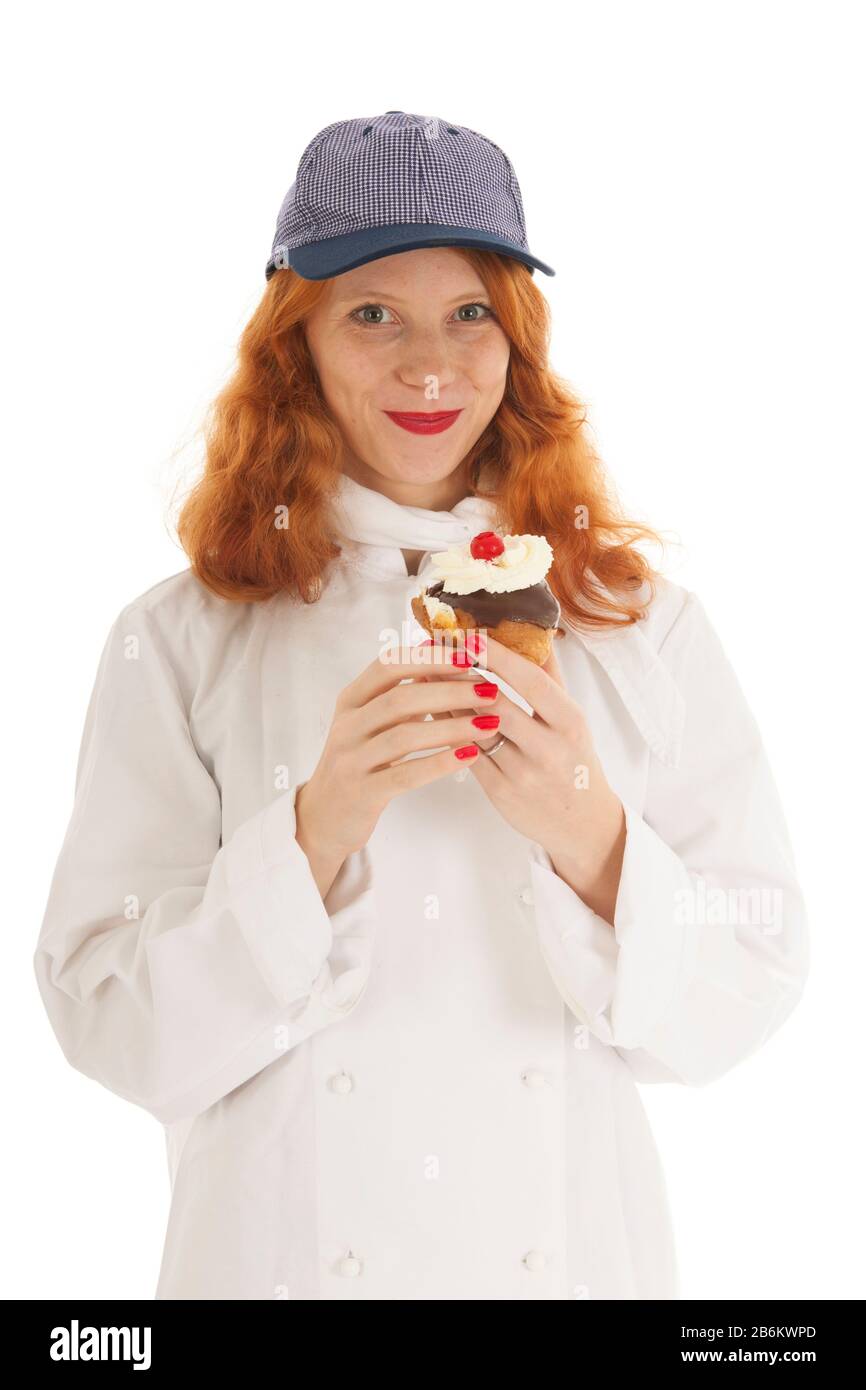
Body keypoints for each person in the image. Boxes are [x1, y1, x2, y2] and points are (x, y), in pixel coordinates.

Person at [34, 111, 809, 1301]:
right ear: (296, 345)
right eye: (371, 314)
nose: (428, 366)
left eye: (469, 314)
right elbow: (110, 1027)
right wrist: (312, 833)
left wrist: (593, 843)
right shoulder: (183, 637)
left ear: (517, 341)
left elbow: (745, 992)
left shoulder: (632, 624)